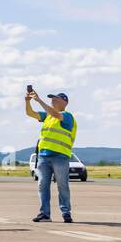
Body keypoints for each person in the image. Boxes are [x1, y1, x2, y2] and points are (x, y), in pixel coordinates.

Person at [25, 88, 77, 223]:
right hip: (43, 156)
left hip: (60, 156)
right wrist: (28, 102)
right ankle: (45, 214)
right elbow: (30, 113)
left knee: (62, 185)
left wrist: (39, 100)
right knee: (42, 185)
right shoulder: (48, 116)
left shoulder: (67, 116)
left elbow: (55, 114)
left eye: (56, 98)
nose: (53, 100)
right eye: (51, 98)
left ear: (64, 102)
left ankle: (66, 212)